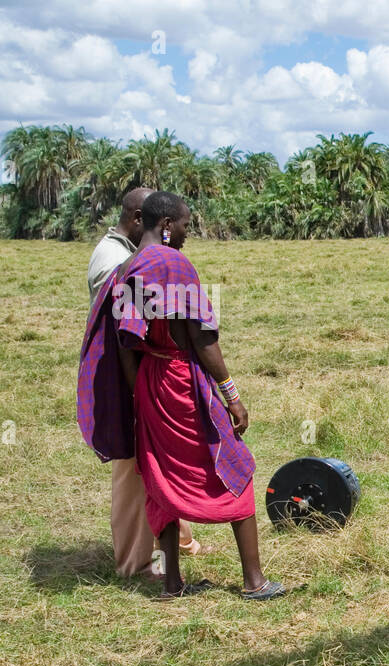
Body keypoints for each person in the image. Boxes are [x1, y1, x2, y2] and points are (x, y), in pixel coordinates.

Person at [78, 190, 283, 600]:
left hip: (151, 382)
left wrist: (140, 391)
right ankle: (254, 581)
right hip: (182, 380)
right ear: (167, 225)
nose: (189, 234)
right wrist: (231, 394)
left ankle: (172, 583)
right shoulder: (173, 263)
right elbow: (201, 336)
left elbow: (125, 342)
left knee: (162, 478)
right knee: (234, 466)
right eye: (187, 226)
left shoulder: (129, 266)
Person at [86, 186, 206, 577]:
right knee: (132, 468)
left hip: (147, 373)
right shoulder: (115, 260)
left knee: (159, 459)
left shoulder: (138, 255)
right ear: (146, 220)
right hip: (127, 376)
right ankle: (133, 563)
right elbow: (127, 329)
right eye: (178, 225)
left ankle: (177, 541)